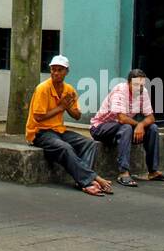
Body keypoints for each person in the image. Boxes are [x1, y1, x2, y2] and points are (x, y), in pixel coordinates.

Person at [26, 55, 112, 196]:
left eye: (60, 70)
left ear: (66, 72)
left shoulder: (69, 90)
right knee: (65, 147)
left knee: (89, 144)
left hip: (58, 130)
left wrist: (68, 107)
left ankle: (83, 181)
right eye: (53, 69)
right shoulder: (42, 89)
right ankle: (91, 179)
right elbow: (38, 117)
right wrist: (60, 107)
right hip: (39, 132)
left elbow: (77, 116)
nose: (56, 73)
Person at [89, 69, 164, 186]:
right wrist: (138, 125)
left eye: (141, 85)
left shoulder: (142, 91)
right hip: (100, 128)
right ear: (128, 83)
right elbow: (122, 118)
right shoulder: (120, 90)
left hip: (121, 130)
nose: (138, 88)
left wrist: (141, 125)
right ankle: (123, 172)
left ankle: (153, 171)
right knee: (127, 128)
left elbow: (151, 118)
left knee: (153, 128)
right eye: (135, 85)